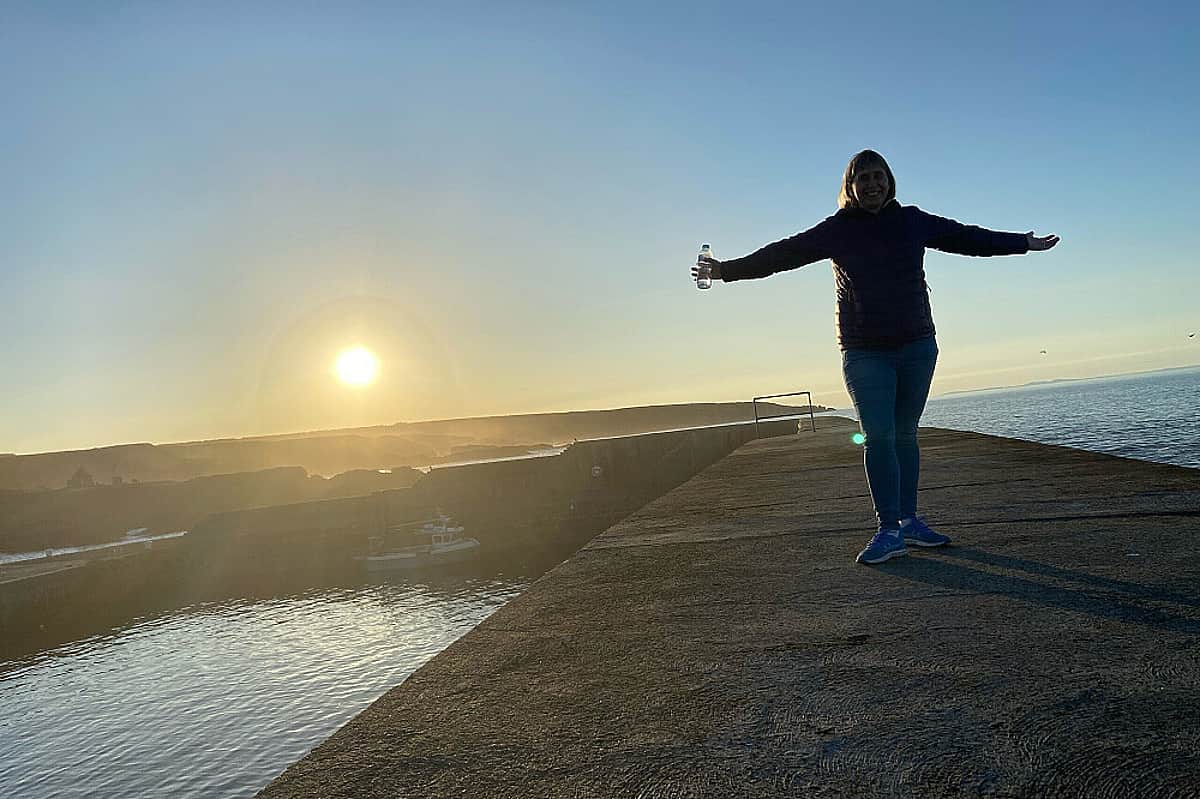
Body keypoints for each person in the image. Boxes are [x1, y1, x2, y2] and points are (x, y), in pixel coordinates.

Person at [691, 149, 1059, 565]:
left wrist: (1022, 243)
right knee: (879, 435)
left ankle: (909, 521)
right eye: (862, 178)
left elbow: (967, 237)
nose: (871, 184)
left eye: (877, 176)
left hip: (917, 345)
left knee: (906, 434)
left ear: (890, 181)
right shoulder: (837, 230)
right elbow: (782, 255)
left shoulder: (912, 221)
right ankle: (888, 529)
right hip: (865, 351)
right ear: (850, 187)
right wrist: (726, 270)